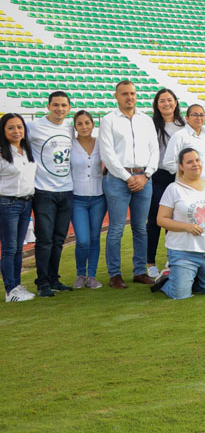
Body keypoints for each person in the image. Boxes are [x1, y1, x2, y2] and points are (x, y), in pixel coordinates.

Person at [99, 80, 159, 288]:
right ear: (116, 96)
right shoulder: (108, 120)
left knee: (140, 228)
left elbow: (154, 150)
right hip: (117, 180)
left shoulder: (146, 120)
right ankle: (114, 274)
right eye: (124, 94)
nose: (129, 97)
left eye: (132, 93)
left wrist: (147, 175)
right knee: (116, 228)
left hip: (144, 178)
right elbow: (107, 153)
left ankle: (140, 271)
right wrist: (127, 177)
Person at [156, 148, 205, 300]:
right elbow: (161, 219)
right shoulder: (174, 189)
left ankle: (185, 279)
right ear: (181, 166)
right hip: (183, 250)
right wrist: (186, 227)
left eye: (197, 160)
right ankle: (167, 280)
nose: (195, 164)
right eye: (189, 162)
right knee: (180, 295)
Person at [27, 91, 74, 296]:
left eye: (64, 105)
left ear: (69, 108)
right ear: (48, 106)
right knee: (44, 238)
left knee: (58, 238)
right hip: (44, 191)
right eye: (56, 105)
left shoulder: (70, 128)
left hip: (67, 190)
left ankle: (54, 279)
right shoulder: (33, 127)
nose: (60, 109)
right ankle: (42, 283)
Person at [144, 88, 184, 279]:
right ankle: (150, 262)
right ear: (156, 104)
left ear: (175, 103)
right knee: (155, 220)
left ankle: (172, 259)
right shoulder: (151, 125)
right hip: (158, 176)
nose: (166, 104)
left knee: (176, 220)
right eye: (162, 101)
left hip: (179, 176)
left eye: (169, 100)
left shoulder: (184, 126)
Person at [1, 113, 37, 302]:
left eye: (19, 127)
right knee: (9, 248)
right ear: (3, 131)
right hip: (8, 203)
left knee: (18, 248)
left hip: (26, 203)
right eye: (11, 128)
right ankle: (10, 290)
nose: (16, 131)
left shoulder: (26, 150)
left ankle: (16, 285)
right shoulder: (2, 152)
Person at [70, 111, 106, 289]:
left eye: (87, 123)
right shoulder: (70, 145)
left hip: (99, 197)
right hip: (77, 199)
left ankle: (91, 276)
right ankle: (80, 274)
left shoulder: (101, 143)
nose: (84, 127)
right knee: (83, 239)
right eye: (80, 124)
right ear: (75, 126)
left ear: (93, 124)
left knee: (94, 238)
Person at [164, 104, 205, 180]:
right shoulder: (180, 136)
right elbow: (168, 163)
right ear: (187, 118)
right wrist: (187, 173)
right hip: (188, 184)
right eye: (195, 115)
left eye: (202, 115)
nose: (199, 118)